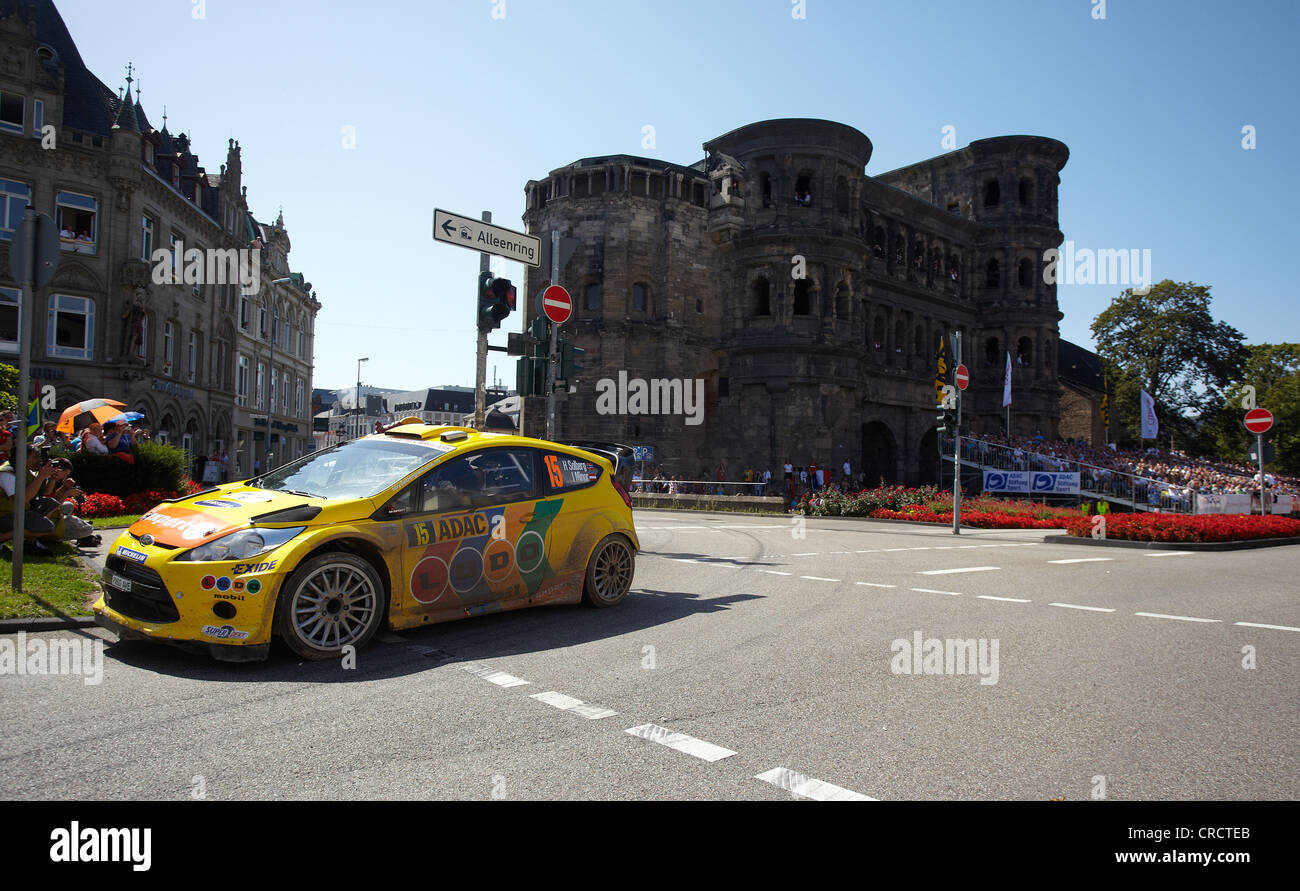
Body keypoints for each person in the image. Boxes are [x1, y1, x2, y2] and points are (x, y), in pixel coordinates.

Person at [0, 435, 58, 556]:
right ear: (22, 458)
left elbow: (44, 493)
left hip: (18, 512)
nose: (39, 460)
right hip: (4, 515)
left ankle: (30, 542)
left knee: (50, 504)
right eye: (35, 457)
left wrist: (50, 478)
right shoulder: (6, 473)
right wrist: (41, 476)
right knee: (46, 526)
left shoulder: (26, 471)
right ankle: (3, 537)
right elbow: (22, 499)